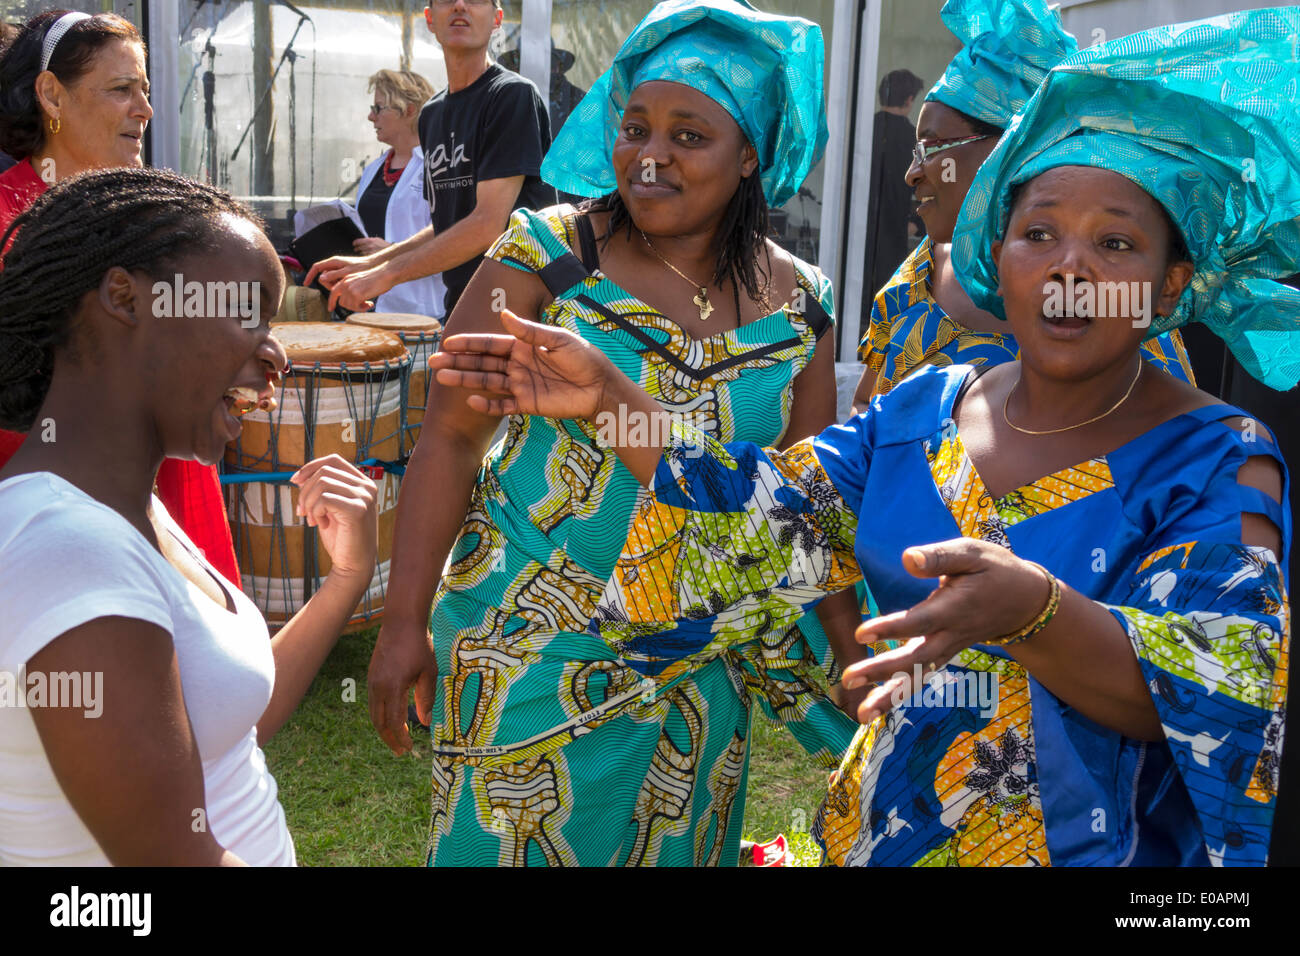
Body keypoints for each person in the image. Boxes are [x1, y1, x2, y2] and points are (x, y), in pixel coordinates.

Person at [431, 7, 1297, 866]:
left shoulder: (1217, 458)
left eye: (1115, 243)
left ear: (1170, 281)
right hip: (893, 837)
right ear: (1000, 257)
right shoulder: (923, 416)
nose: (1070, 269)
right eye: (1039, 234)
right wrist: (612, 400)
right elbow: (759, 515)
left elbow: (1230, 687)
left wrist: (1036, 611)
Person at [367, 0, 857, 866]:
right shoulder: (544, 257)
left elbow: (802, 514)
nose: (650, 156)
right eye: (634, 127)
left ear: (751, 155)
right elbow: (447, 439)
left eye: (689, 135)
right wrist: (404, 618)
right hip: (525, 648)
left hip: (699, 673)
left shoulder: (803, 307)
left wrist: (858, 660)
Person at [0, 167, 380, 866]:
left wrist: (346, 578)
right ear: (124, 298)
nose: (275, 356)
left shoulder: (124, 506)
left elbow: (221, 728)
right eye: (247, 314)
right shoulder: (65, 549)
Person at [851, 0, 1194, 413]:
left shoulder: (1115, 305)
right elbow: (864, 407)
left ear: (1007, 151)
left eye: (934, 147)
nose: (913, 172)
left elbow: (1168, 442)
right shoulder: (914, 280)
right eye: (915, 149)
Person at [0, 9, 242, 588]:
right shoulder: (8, 221)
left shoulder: (145, 213)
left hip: (169, 491)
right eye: (120, 90)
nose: (145, 110)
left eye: (147, 91)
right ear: (51, 96)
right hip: (58, 512)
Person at [306, 0, 555, 318]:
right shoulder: (433, 114)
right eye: (447, 0)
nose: (460, 5)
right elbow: (445, 224)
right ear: (429, 18)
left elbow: (487, 225)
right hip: (459, 307)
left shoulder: (510, 95)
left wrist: (385, 275)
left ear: (497, 19)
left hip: (520, 310)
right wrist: (372, 262)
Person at [351, 68, 447, 317]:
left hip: (419, 318)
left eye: (379, 108)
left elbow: (454, 245)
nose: (371, 117)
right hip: (370, 311)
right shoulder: (374, 169)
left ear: (410, 110)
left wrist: (390, 251)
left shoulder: (439, 167)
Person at [865, 68, 923, 296]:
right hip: (894, 234)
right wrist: (917, 224)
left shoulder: (861, 131)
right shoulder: (914, 139)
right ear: (909, 100)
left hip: (857, 232)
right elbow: (928, 190)